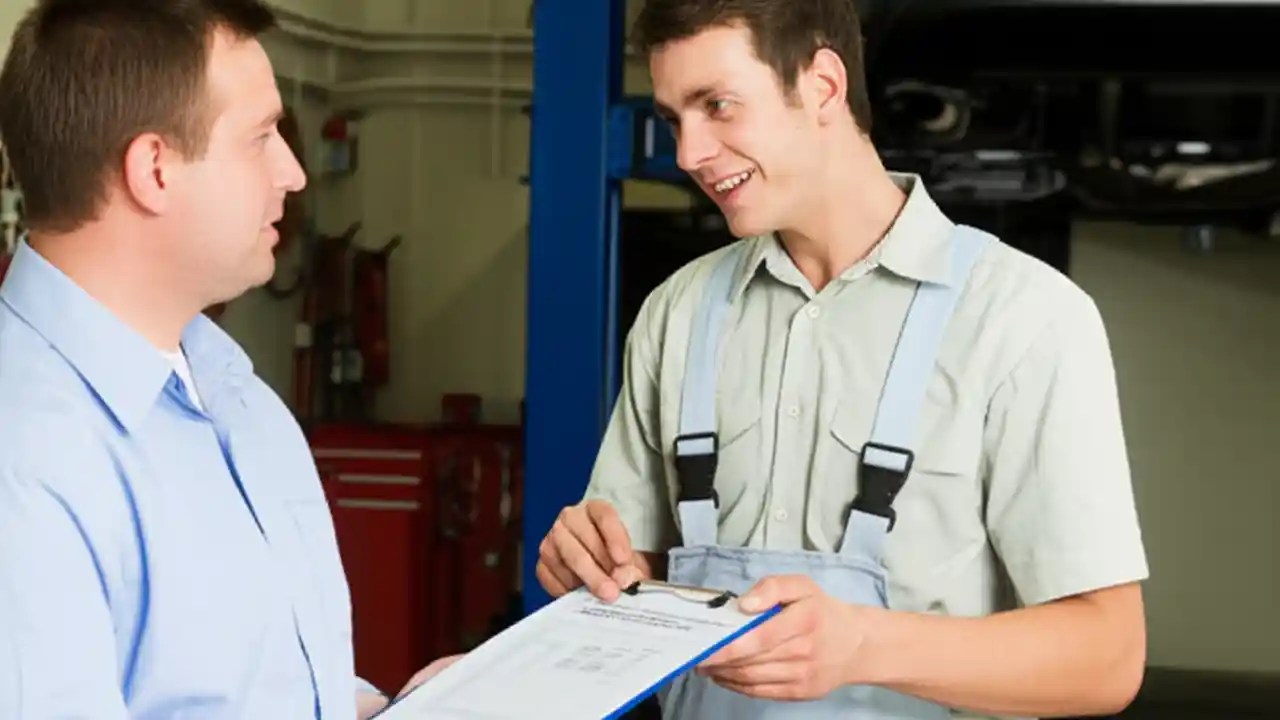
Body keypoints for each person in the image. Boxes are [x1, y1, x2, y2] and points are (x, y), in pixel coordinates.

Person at [534, 1, 1150, 718]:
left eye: (719, 106)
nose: (688, 153)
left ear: (823, 85)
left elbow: (1107, 659)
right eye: (675, 119)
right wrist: (602, 572)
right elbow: (634, 585)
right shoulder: (678, 313)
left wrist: (866, 645)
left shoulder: (1024, 319)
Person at [0, 1, 450, 717]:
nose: (294, 174)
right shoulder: (24, 457)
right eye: (261, 137)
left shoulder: (234, 393)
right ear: (155, 170)